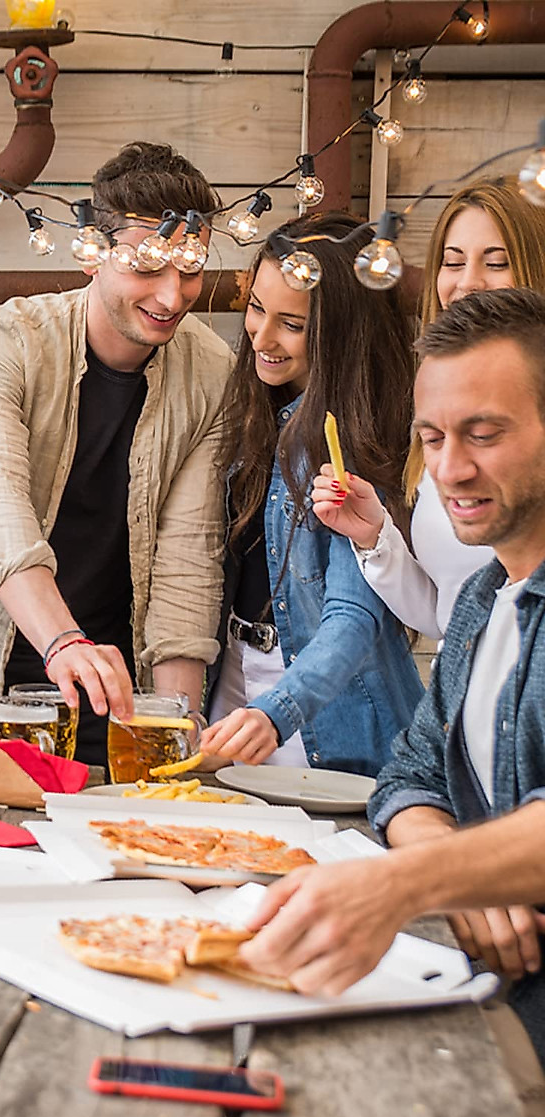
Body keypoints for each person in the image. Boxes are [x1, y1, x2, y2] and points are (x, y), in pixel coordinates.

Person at [238, 288, 545, 1066]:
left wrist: (410, 881)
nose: (450, 468)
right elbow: (410, 776)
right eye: (433, 437)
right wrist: (458, 868)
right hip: (483, 1019)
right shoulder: (481, 599)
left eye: (484, 435)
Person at [0, 142, 234, 767]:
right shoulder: (2, 343)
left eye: (190, 268)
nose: (171, 295)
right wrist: (63, 643)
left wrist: (176, 737)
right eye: (147, 266)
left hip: (116, 696)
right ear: (93, 254)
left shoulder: (212, 371)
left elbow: (189, 564)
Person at [201, 212, 423, 774]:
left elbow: (355, 614)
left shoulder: (356, 435)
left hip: (332, 713)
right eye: (256, 308)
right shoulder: (253, 408)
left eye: (291, 324)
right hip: (233, 680)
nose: (262, 336)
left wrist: (278, 710)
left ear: (338, 329)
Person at [311, 178, 545, 639]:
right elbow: (450, 619)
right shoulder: (440, 408)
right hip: (463, 700)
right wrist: (376, 539)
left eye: (496, 263)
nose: (468, 283)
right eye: (452, 262)